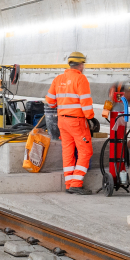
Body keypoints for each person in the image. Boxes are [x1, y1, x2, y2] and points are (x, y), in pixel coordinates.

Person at [44, 51, 98, 195]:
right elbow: (86, 102)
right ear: (80, 65)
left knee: (68, 152)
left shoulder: (58, 79)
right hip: (77, 122)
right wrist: (91, 117)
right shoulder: (81, 79)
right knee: (86, 151)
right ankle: (76, 183)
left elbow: (49, 101)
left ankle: (69, 184)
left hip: (62, 121)